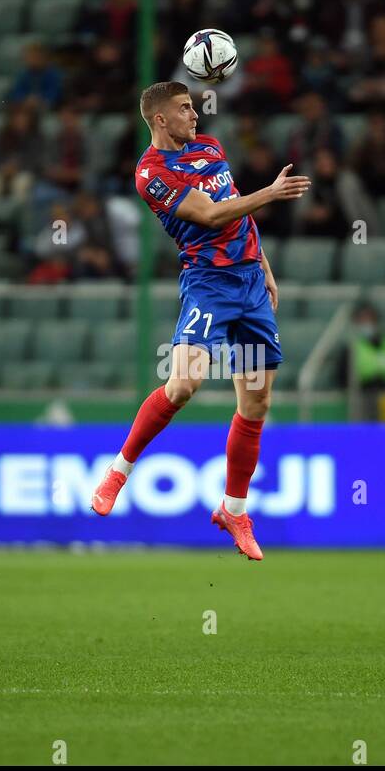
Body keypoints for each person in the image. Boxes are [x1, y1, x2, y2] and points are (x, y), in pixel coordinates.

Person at [90, 81, 311, 561]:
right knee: (184, 383)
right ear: (160, 119)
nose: (197, 113)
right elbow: (211, 215)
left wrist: (266, 268)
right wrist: (270, 192)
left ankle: (234, 509)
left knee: (256, 402)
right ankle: (119, 470)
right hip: (209, 285)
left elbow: (237, 215)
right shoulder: (150, 174)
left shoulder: (210, 147)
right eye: (186, 107)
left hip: (250, 285)